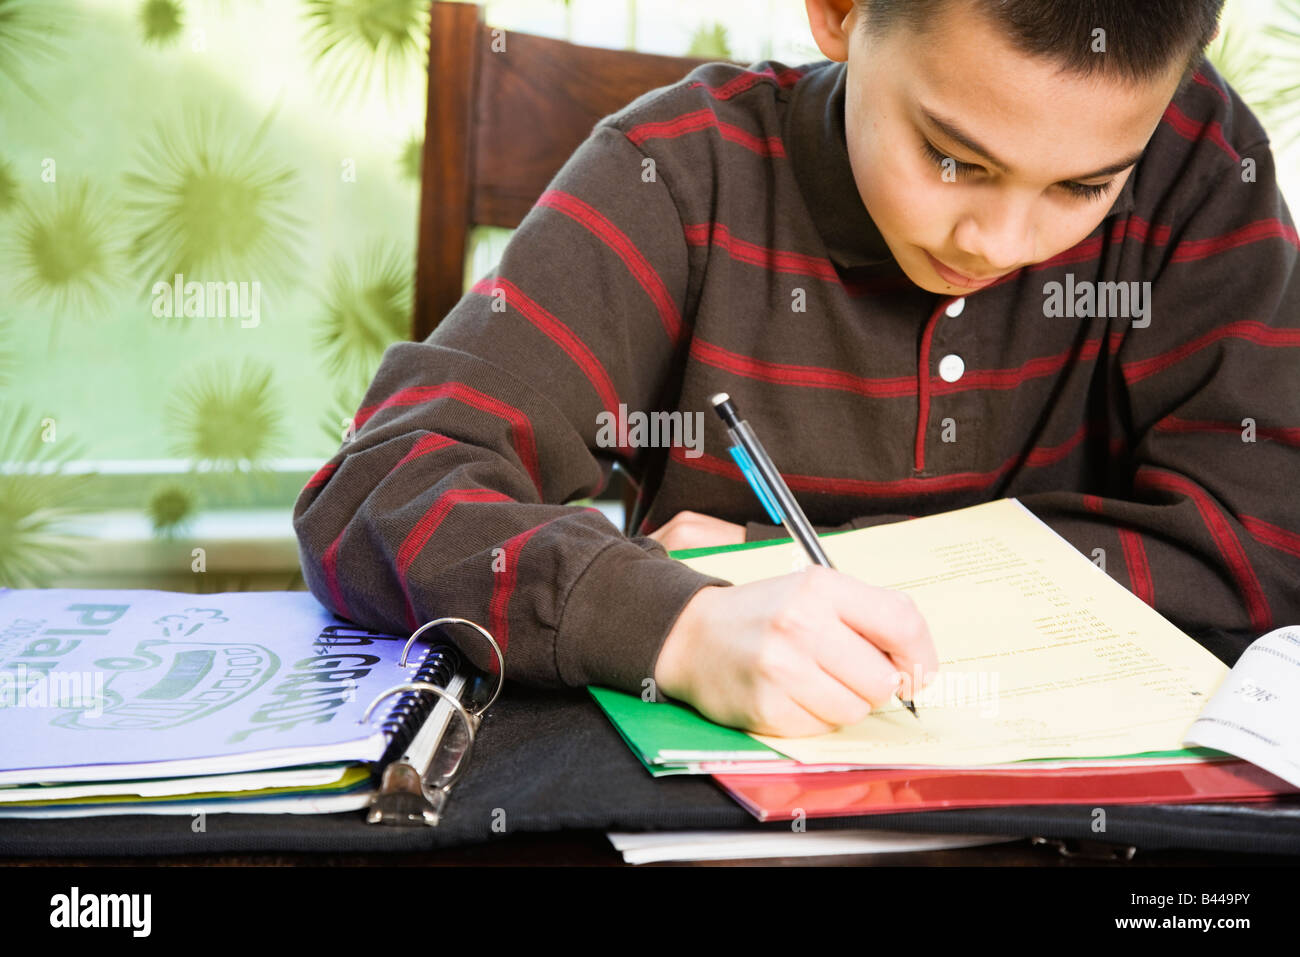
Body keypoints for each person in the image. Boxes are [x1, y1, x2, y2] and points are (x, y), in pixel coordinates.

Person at [294, 0, 1299, 737]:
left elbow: (1260, 550)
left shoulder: (1198, 162)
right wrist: (678, 626)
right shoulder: (675, 173)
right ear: (839, 12)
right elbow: (383, 487)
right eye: (953, 158)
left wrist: (783, 569)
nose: (998, 240)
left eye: (1083, 186)